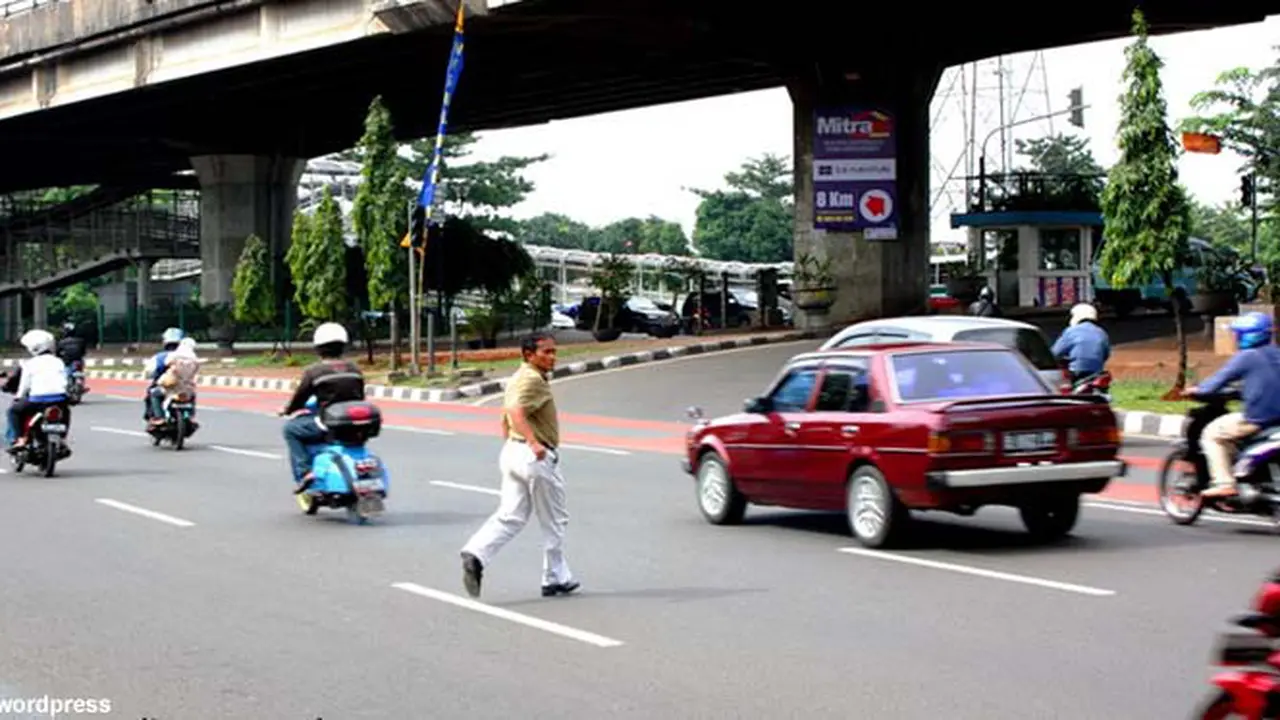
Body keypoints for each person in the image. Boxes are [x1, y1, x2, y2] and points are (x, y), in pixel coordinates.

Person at [459, 331, 578, 599]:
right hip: (534, 456)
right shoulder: (532, 380)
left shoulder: (517, 377)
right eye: (546, 352)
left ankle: (476, 553)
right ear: (529, 355)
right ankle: (554, 577)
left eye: (553, 351)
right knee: (555, 521)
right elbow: (515, 411)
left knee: (510, 516)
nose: (552, 357)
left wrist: (513, 443)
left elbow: (506, 415)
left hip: (513, 452)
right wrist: (534, 443)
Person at [1182, 312, 1280, 499]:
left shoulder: (1246, 357)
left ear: (1247, 336)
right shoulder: (1277, 353)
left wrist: (1196, 390)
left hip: (1258, 418)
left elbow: (1215, 383)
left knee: (1212, 435)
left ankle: (1224, 483)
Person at [278, 322, 365, 490]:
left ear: (318, 348)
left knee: (290, 429)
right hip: (353, 423)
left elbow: (300, 398)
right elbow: (359, 396)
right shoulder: (355, 369)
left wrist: (287, 410)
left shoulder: (314, 371)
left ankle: (304, 472)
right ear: (343, 346)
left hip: (328, 423)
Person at [6, 329, 69, 451]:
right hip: (59, 398)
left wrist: (18, 397)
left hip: (37, 400)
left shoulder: (30, 363)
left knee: (13, 411)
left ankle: (20, 439)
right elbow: (65, 379)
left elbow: (24, 385)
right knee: (65, 411)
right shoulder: (58, 361)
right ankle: (62, 439)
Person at [1051, 303, 1112, 382]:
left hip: (1076, 372)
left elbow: (1055, 353)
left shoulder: (1071, 331)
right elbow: (1106, 354)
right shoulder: (1101, 332)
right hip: (1097, 373)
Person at [149, 337, 203, 424]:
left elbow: (166, 363)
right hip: (187, 388)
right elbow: (196, 371)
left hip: (172, 387)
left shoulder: (175, 355)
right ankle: (191, 416)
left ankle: (159, 417)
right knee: (192, 396)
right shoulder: (194, 359)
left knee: (154, 394)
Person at [143, 328, 184, 422]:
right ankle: (189, 415)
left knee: (153, 394)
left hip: (166, 387)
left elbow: (149, 371)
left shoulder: (159, 357)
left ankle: (159, 417)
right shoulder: (187, 356)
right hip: (185, 388)